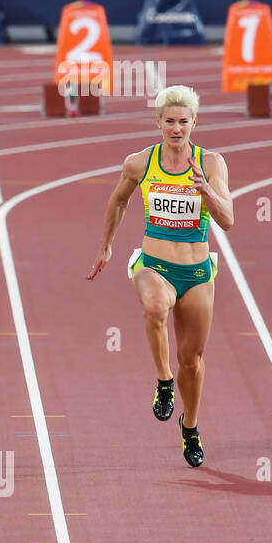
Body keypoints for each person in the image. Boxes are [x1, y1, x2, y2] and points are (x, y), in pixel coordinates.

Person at [86, 85, 232, 468]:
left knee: (193, 361)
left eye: (184, 122)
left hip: (197, 273)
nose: (176, 128)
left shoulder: (211, 164)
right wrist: (106, 245)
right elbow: (118, 199)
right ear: (158, 122)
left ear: (194, 123)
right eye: (169, 121)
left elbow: (228, 220)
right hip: (155, 265)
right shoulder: (140, 162)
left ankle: (190, 426)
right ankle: (164, 382)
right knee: (154, 306)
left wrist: (206, 191)